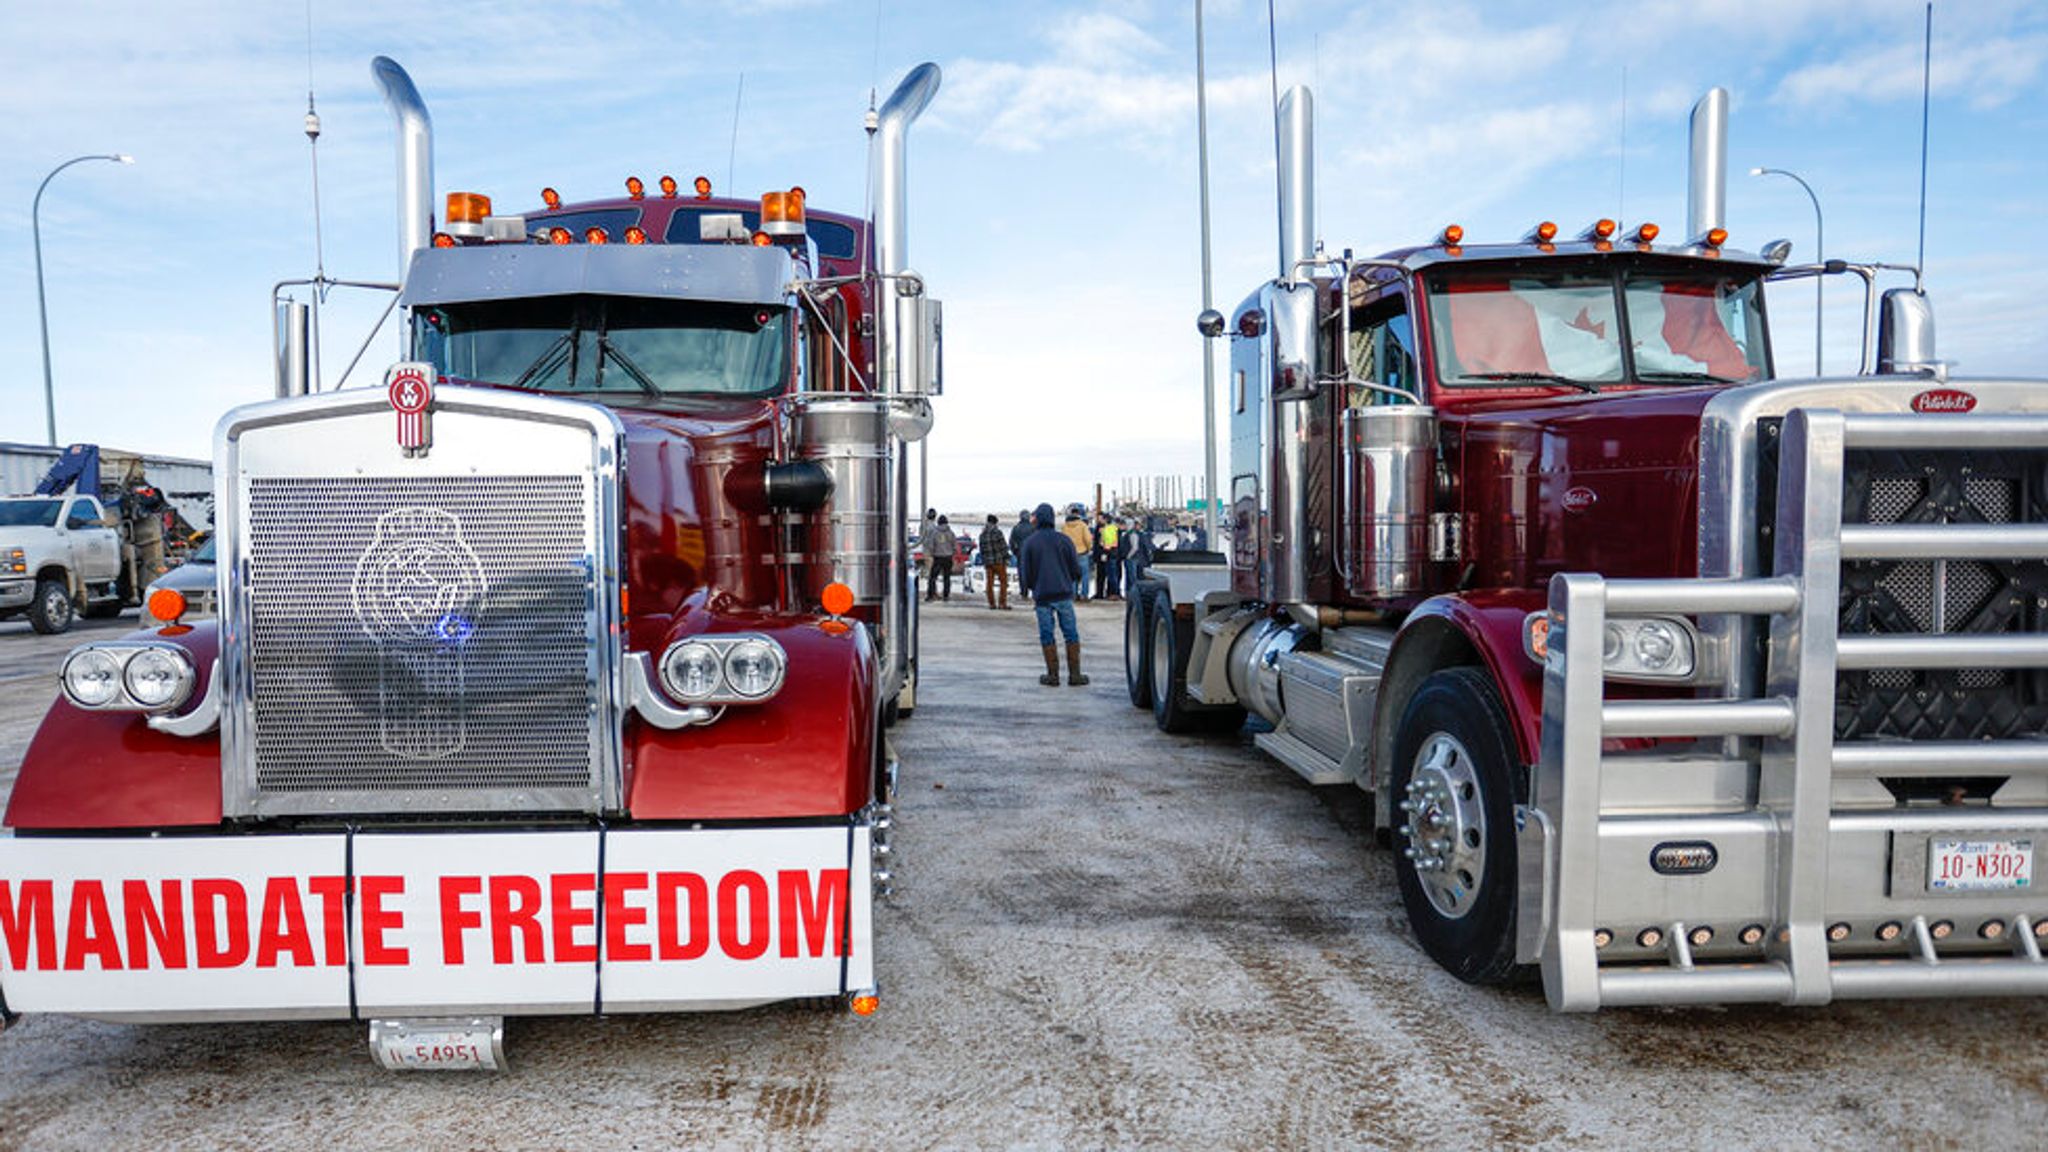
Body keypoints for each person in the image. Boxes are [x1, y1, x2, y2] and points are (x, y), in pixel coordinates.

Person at [1017, 503, 1087, 687]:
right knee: (1071, 634)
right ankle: (1075, 675)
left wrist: (1030, 587)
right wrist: (1072, 581)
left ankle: (1053, 675)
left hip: (1042, 596)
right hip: (1064, 594)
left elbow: (1025, 572)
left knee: (1047, 635)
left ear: (1038, 518)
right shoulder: (1064, 540)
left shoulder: (1030, 543)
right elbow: (1075, 568)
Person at [977, 513, 1012, 610]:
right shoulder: (998, 533)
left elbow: (982, 550)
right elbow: (1003, 547)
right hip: (999, 561)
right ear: (995, 523)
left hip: (988, 562)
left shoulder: (982, 534)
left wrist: (984, 560)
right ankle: (1002, 603)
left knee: (989, 583)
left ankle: (991, 603)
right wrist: (1007, 557)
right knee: (1003, 582)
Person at [1061, 505, 1093, 601]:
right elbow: (1087, 539)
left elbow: (1063, 540)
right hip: (1082, 552)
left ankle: (1073, 595)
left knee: (1072, 575)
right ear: (1079, 514)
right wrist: (1088, 548)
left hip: (1070, 554)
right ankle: (1084, 595)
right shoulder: (1082, 525)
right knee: (1085, 575)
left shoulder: (1065, 526)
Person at [924, 515, 957, 602]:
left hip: (938, 557)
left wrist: (931, 553)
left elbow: (930, 545)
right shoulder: (951, 533)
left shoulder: (934, 532)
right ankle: (946, 596)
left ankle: (930, 595)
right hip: (948, 557)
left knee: (933, 577)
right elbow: (955, 546)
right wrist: (952, 554)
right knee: (947, 578)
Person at [1008, 509, 1035, 601]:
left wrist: (1015, 552)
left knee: (1022, 573)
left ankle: (1024, 592)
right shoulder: (1033, 528)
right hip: (1032, 554)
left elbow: (1011, 542)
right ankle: (1034, 592)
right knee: (1033, 573)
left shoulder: (1016, 528)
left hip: (1020, 554)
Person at [1095, 512, 1121, 601]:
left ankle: (1114, 593)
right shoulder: (1114, 528)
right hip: (1114, 553)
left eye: (1101, 519)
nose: (1099, 520)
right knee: (1113, 575)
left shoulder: (1106, 529)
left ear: (1105, 520)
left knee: (1111, 575)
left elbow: (1107, 543)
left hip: (1109, 554)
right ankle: (1114, 593)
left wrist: (1104, 553)